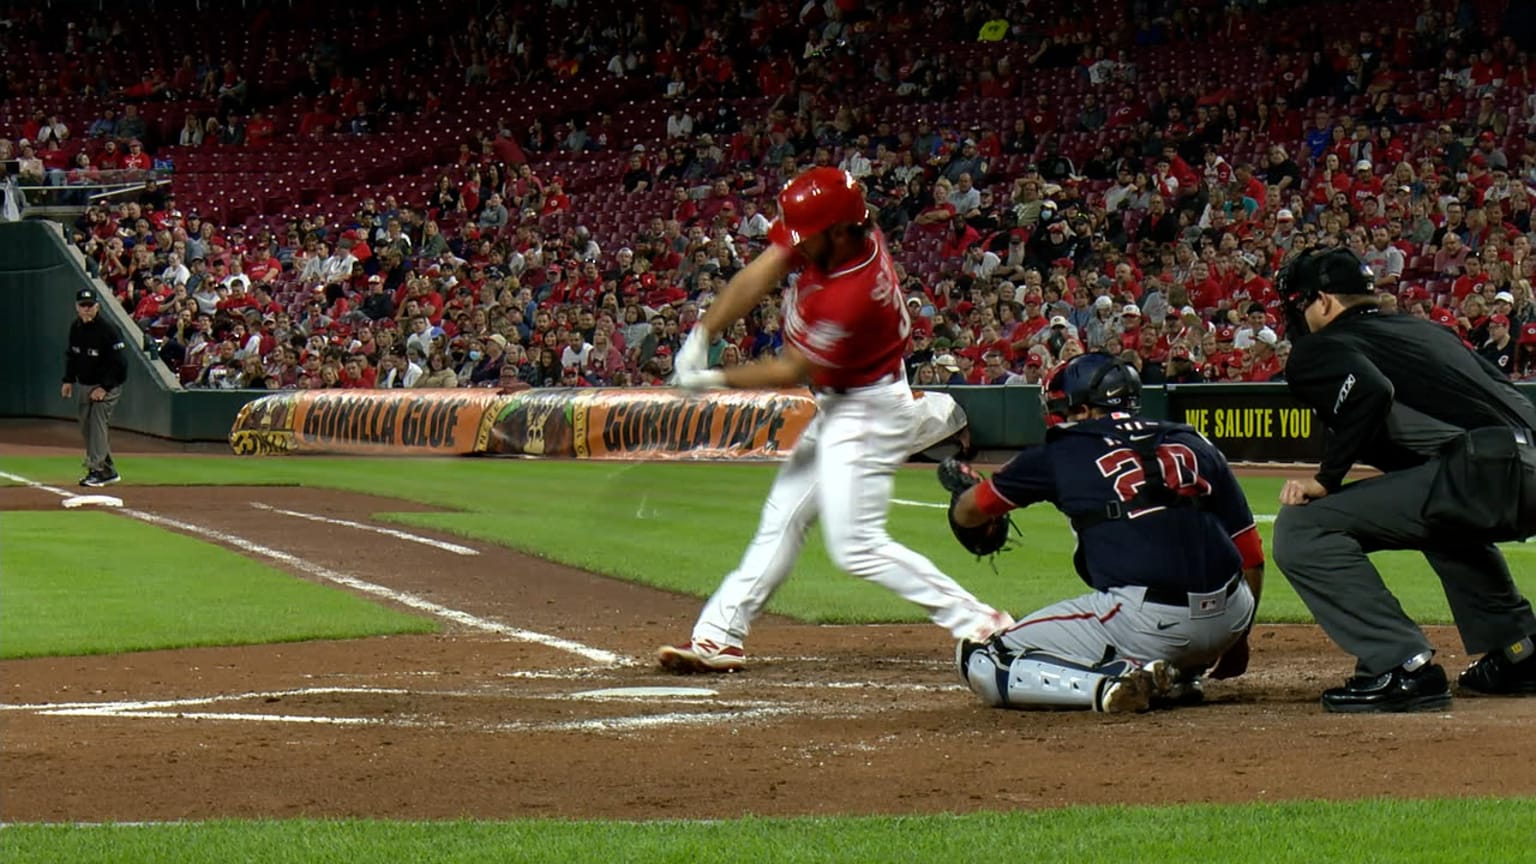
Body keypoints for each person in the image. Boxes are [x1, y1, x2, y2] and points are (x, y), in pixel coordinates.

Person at [657, 167, 1012, 673]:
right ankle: (720, 635)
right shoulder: (841, 229)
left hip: (868, 409)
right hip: (843, 401)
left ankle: (984, 622)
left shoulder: (852, 296)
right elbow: (767, 265)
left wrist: (709, 380)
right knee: (782, 519)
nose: (798, 247)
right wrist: (702, 332)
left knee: (856, 547)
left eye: (809, 238)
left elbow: (790, 370)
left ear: (840, 232)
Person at [1273, 246, 1536, 713]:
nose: (1298, 314)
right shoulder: (1425, 330)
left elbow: (1371, 392)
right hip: (1519, 461)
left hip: (1484, 469)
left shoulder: (1319, 347)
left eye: (1302, 302)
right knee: (1444, 517)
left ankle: (1402, 667)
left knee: (1304, 529)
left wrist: (1326, 479)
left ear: (1327, 302)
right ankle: (1522, 652)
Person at [945, 353, 1263, 713]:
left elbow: (970, 513)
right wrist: (1236, 638)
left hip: (1148, 623)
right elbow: (1250, 551)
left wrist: (961, 497)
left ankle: (1110, 683)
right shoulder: (1191, 440)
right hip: (1232, 614)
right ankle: (1178, 677)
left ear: (1084, 408)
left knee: (984, 659)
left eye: (1064, 405)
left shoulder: (1061, 451)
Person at [62, 288, 127, 487]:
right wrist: (68, 380)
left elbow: (120, 364)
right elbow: (72, 355)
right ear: (77, 307)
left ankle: (97, 469)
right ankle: (108, 469)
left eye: (90, 306)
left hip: (107, 385)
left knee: (98, 424)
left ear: (97, 306)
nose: (86, 309)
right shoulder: (76, 327)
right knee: (86, 427)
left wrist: (105, 387)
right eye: (83, 305)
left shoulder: (109, 330)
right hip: (85, 383)